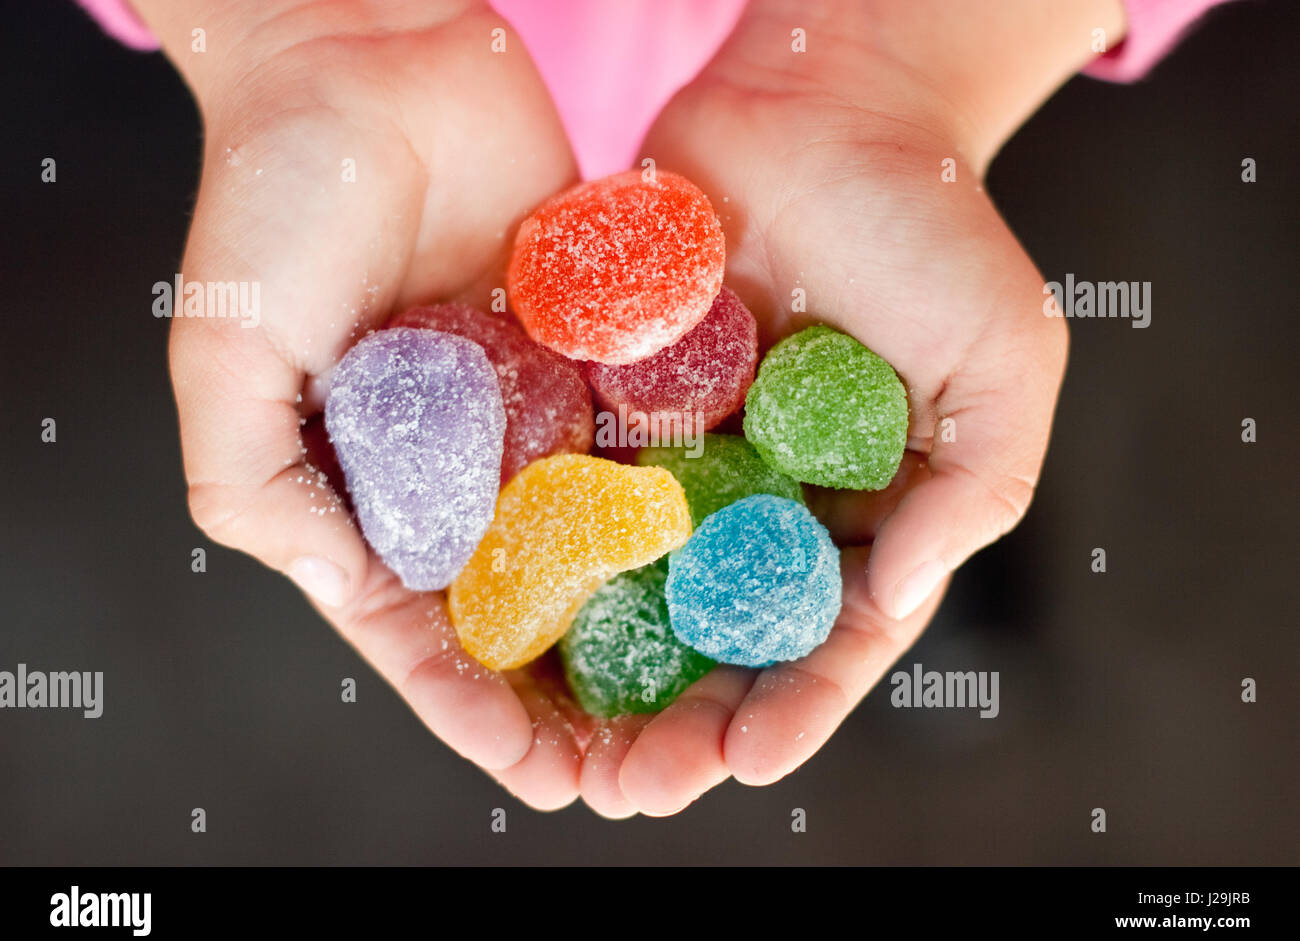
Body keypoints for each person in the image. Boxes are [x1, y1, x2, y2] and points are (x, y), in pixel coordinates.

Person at [80, 0, 1235, 817]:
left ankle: (908, 519)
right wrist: (301, 31)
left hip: (801, 144)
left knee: (910, 451)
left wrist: (901, 63)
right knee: (899, 478)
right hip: (471, 171)